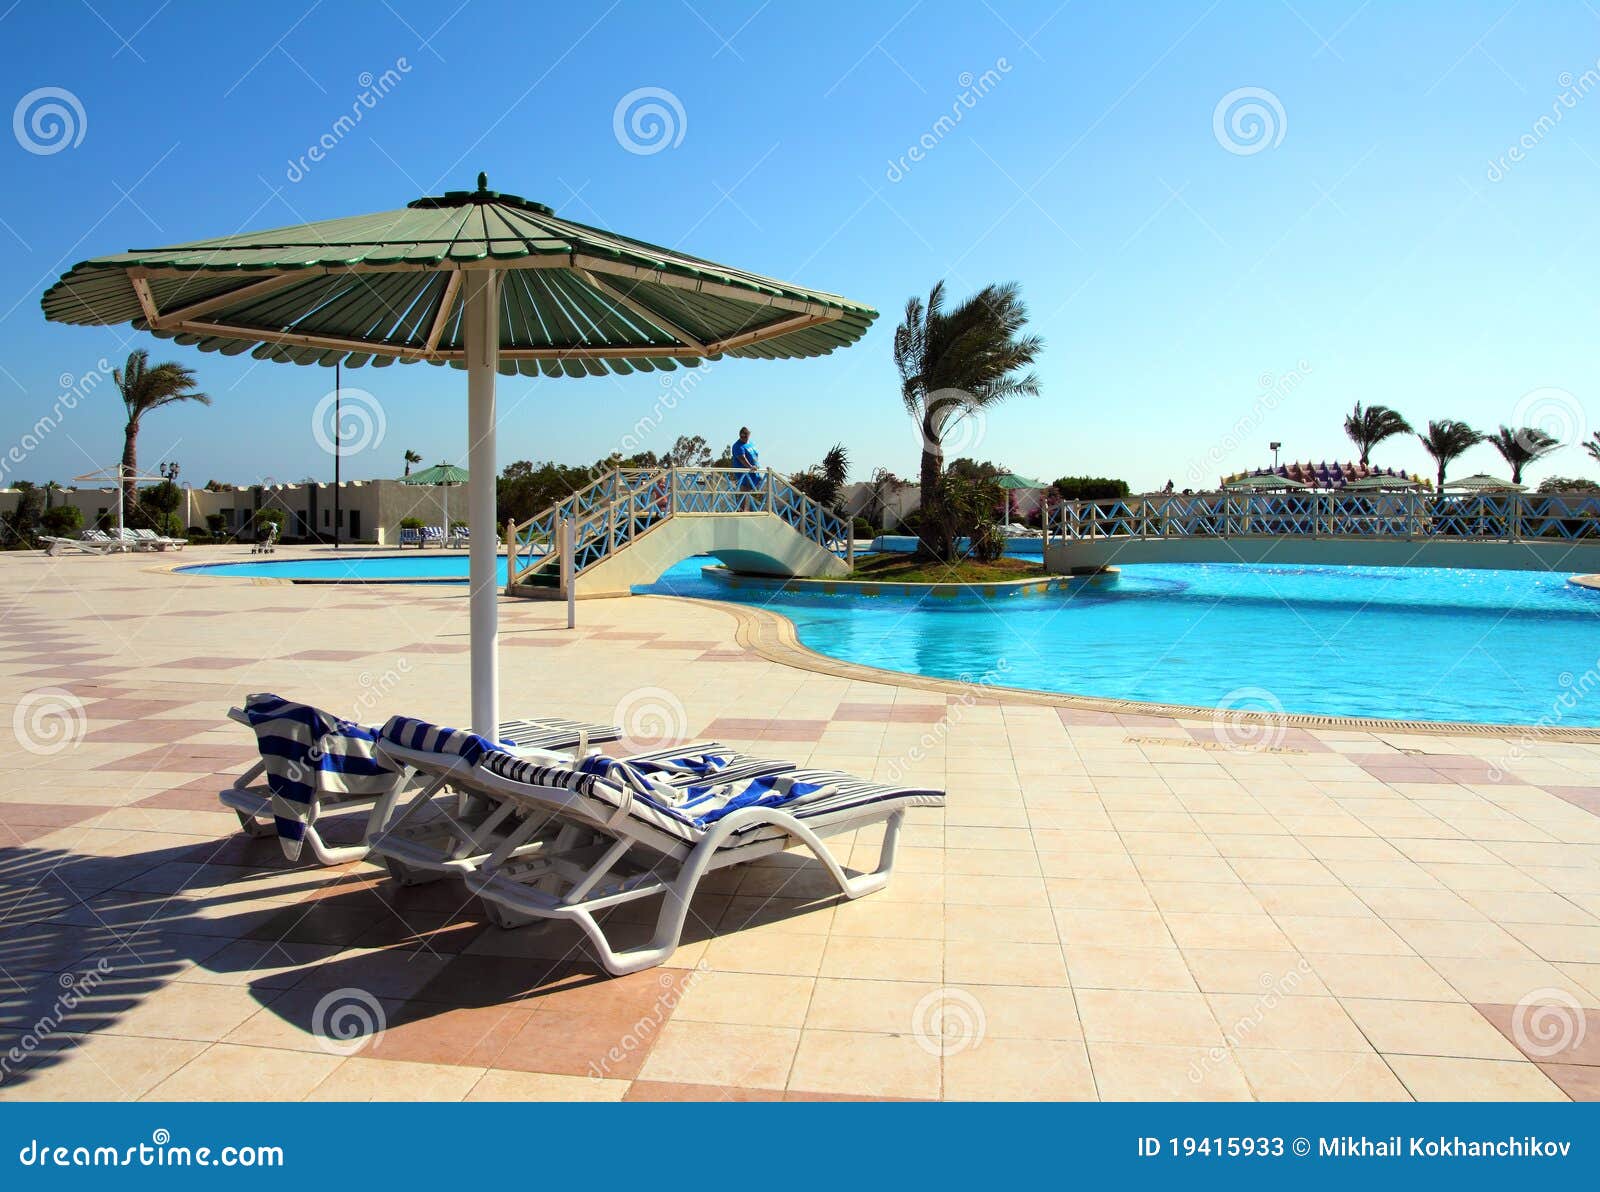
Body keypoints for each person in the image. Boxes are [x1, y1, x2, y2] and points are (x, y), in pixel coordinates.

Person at [731, 426, 761, 494]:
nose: (743, 438)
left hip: (754, 473)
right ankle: (742, 504)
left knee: (760, 493)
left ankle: (760, 504)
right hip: (744, 475)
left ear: (749, 435)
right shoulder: (738, 446)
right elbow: (742, 459)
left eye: (745, 436)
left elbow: (755, 455)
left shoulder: (751, 443)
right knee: (744, 495)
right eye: (742, 436)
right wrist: (750, 466)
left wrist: (756, 465)